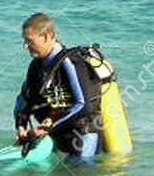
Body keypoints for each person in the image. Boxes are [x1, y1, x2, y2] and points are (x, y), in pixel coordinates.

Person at [14, 12, 100, 162]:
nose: (25, 46)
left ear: (47, 36)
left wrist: (45, 128)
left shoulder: (71, 63)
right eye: (24, 41)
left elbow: (83, 106)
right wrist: (21, 127)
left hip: (83, 135)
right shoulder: (35, 66)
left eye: (29, 41)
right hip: (57, 135)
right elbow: (24, 101)